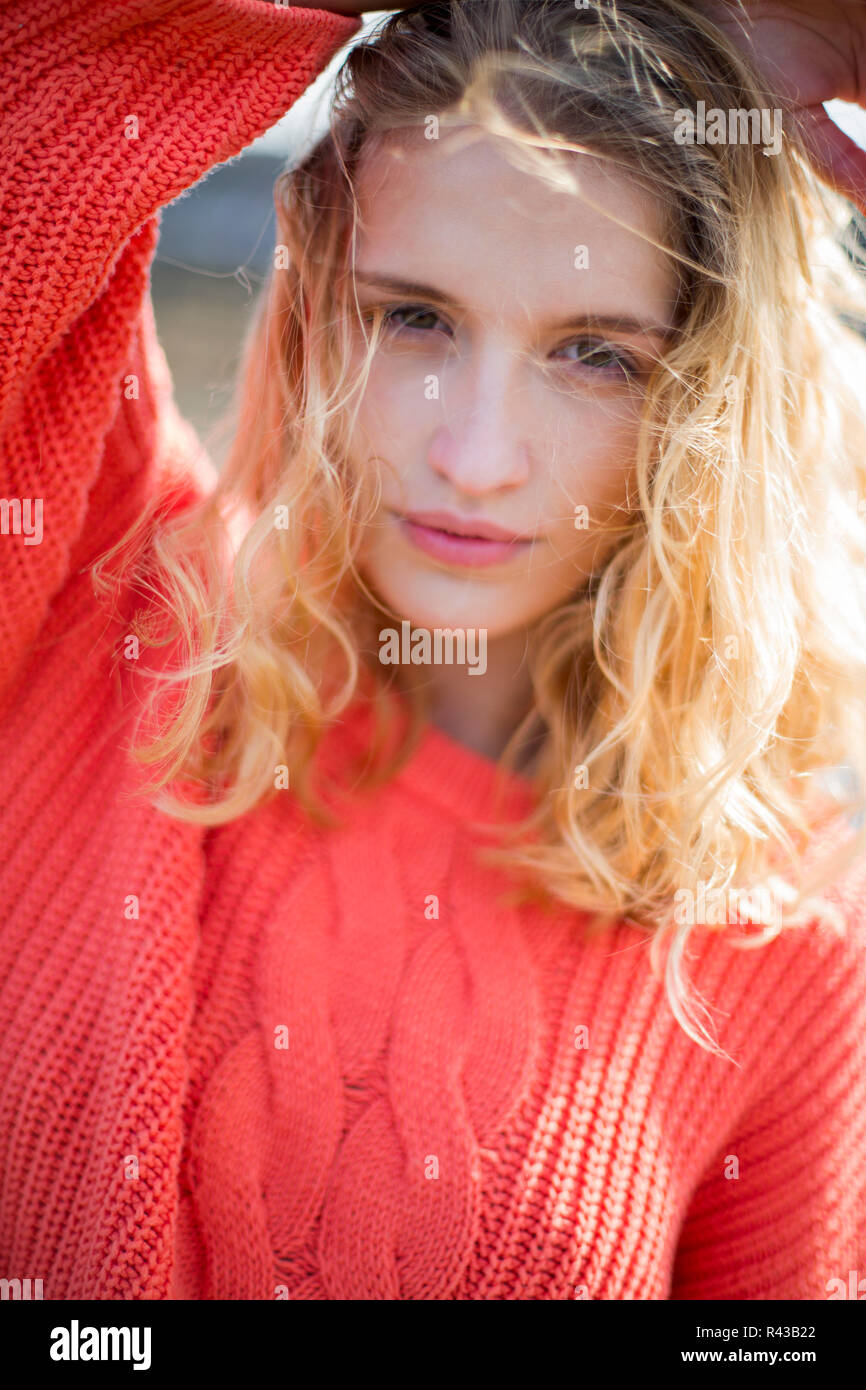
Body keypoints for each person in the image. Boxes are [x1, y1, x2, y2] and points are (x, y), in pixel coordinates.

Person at [2, 0, 866, 1302]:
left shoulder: (780, 942)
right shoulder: (102, 576)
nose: (473, 456)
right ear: (313, 313)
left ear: (704, 402)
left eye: (592, 354)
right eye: (412, 318)